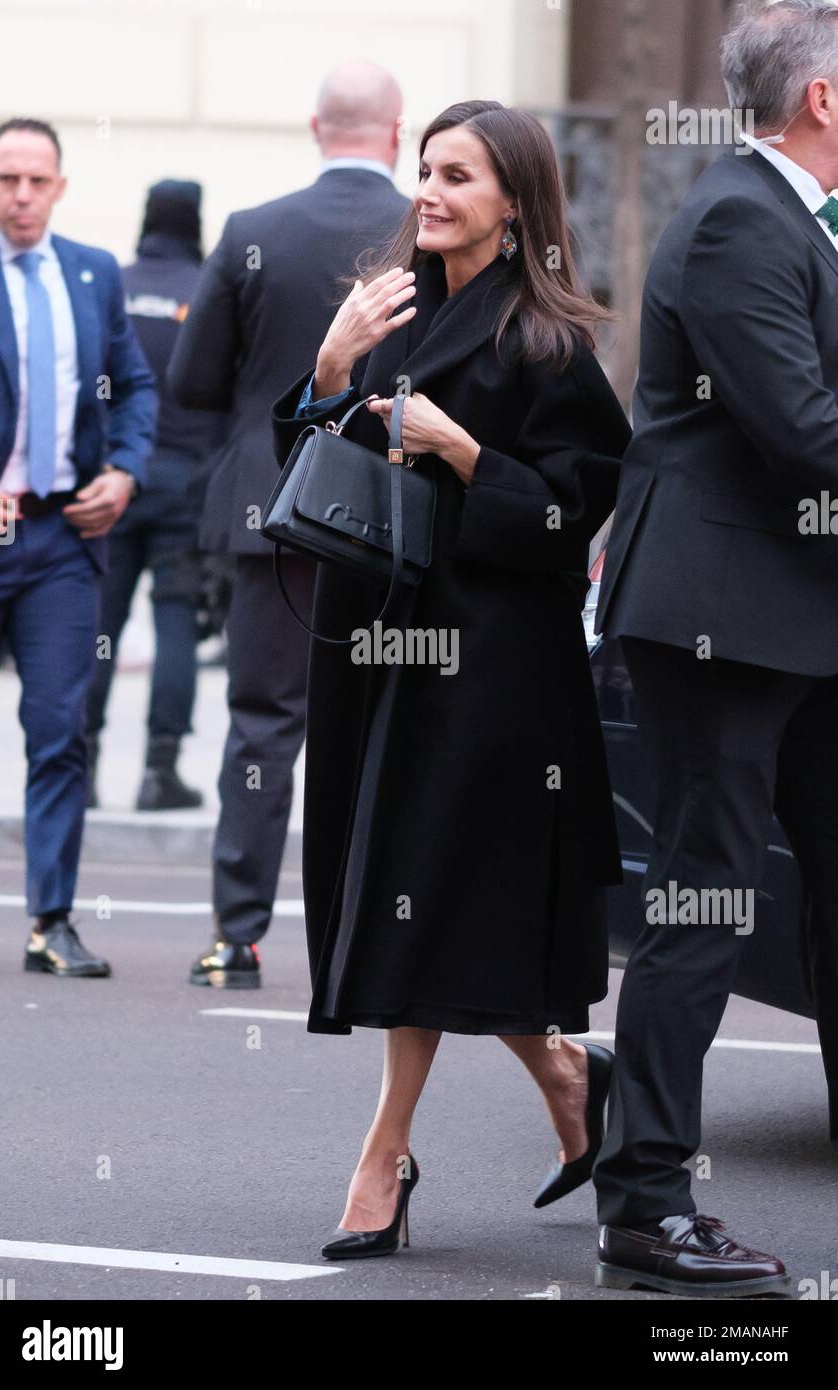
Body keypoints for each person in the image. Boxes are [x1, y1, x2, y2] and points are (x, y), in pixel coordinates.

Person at [271, 99, 631, 1258]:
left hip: (488, 667)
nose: (428, 192)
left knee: (425, 889)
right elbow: (309, 477)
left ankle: (384, 1159)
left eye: (457, 175)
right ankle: (571, 1080)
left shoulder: (548, 339)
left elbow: (575, 511)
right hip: (375, 648)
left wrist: (467, 453)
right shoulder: (383, 308)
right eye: (423, 170)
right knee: (413, 896)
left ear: (514, 200)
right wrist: (328, 368)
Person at [592, 0, 838, 1298]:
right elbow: (802, 428)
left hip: (795, 613)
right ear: (823, 101)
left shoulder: (789, 220)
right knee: (702, 898)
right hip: (721, 616)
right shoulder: (744, 214)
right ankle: (644, 1203)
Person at [169, 61, 410, 991]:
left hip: (271, 512)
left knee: (263, 726)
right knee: (387, 726)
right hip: (390, 516)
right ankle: (371, 937)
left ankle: (237, 936)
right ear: (395, 133)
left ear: (317, 127)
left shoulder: (251, 231)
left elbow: (193, 380)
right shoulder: (423, 232)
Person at [0, 118, 156, 977]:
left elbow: (136, 384)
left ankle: (51, 920)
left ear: (59, 185)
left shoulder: (91, 274)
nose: (21, 195)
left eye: (36, 180)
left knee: (60, 731)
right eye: (7, 178)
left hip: (58, 537)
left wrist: (123, 472)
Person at [85, 180, 226, 812]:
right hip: (185, 486)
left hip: (113, 479)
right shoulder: (206, 294)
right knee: (176, 626)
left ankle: (78, 767)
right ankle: (159, 773)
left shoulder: (109, 284)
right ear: (195, 223)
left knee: (99, 626)